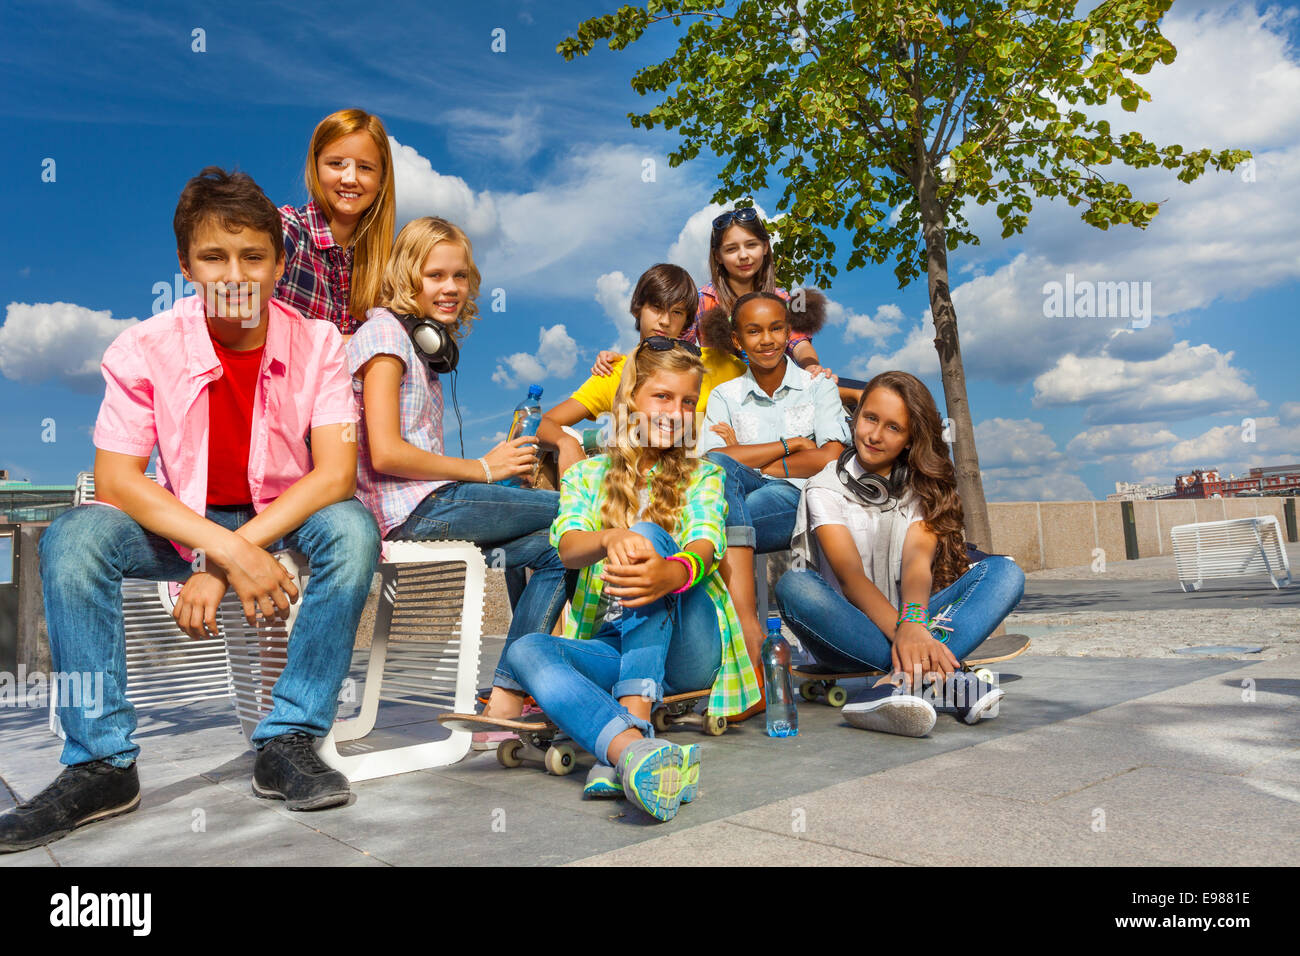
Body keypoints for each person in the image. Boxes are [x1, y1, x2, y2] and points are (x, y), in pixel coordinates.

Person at [0, 168, 380, 854]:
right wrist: (220, 553)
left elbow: (334, 475)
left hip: (287, 514)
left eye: (254, 256)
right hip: (186, 524)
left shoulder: (322, 343)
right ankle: (101, 763)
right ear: (184, 265)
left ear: (280, 261)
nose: (235, 274)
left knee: (353, 527)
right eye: (213, 256)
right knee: (76, 535)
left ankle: (288, 739)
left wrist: (235, 550)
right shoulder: (144, 347)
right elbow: (117, 480)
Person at [463, 341, 760, 822]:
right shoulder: (586, 475)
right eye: (663, 397)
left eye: (688, 402)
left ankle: (636, 716)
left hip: (689, 645)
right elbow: (568, 546)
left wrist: (672, 570)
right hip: (613, 642)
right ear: (630, 402)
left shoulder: (704, 475)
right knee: (526, 650)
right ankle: (629, 752)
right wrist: (607, 538)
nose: (677, 412)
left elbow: (708, 544)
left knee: (646, 535)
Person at [347, 216, 567, 651]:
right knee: (577, 508)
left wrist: (496, 475)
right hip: (410, 512)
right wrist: (483, 470)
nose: (451, 287)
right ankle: (524, 676)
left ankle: (514, 682)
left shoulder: (417, 347)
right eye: (435, 275)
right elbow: (387, 453)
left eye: (460, 276)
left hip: (432, 505)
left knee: (561, 546)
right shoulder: (385, 338)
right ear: (408, 277)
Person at [774, 371, 1025, 737]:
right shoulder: (823, 488)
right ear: (856, 417)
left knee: (1005, 572)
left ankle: (893, 684)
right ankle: (950, 676)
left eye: (893, 428)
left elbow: (916, 562)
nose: (875, 435)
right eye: (870, 418)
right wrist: (908, 631)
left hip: (913, 622)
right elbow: (851, 579)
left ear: (910, 440)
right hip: (847, 635)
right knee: (794, 585)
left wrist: (912, 622)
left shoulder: (919, 487)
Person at [696, 291, 850, 721]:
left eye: (777, 328)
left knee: (715, 514)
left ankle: (745, 657)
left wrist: (757, 456)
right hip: (738, 493)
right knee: (719, 475)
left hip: (800, 500)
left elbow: (831, 457)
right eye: (753, 331)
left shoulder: (817, 388)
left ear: (788, 331)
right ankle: (750, 641)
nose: (767, 339)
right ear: (736, 341)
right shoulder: (725, 395)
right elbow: (715, 461)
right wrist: (791, 445)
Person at [535, 263, 745, 478]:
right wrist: (566, 442)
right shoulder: (616, 372)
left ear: (686, 321)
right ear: (638, 308)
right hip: (633, 489)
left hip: (704, 487)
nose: (665, 321)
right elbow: (539, 422)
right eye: (656, 308)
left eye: (677, 312)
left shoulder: (719, 364)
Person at [277, 108, 396, 336]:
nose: (349, 178)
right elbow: (252, 327)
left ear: (382, 180)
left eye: (364, 167)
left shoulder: (388, 266)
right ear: (316, 168)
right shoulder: (285, 229)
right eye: (336, 164)